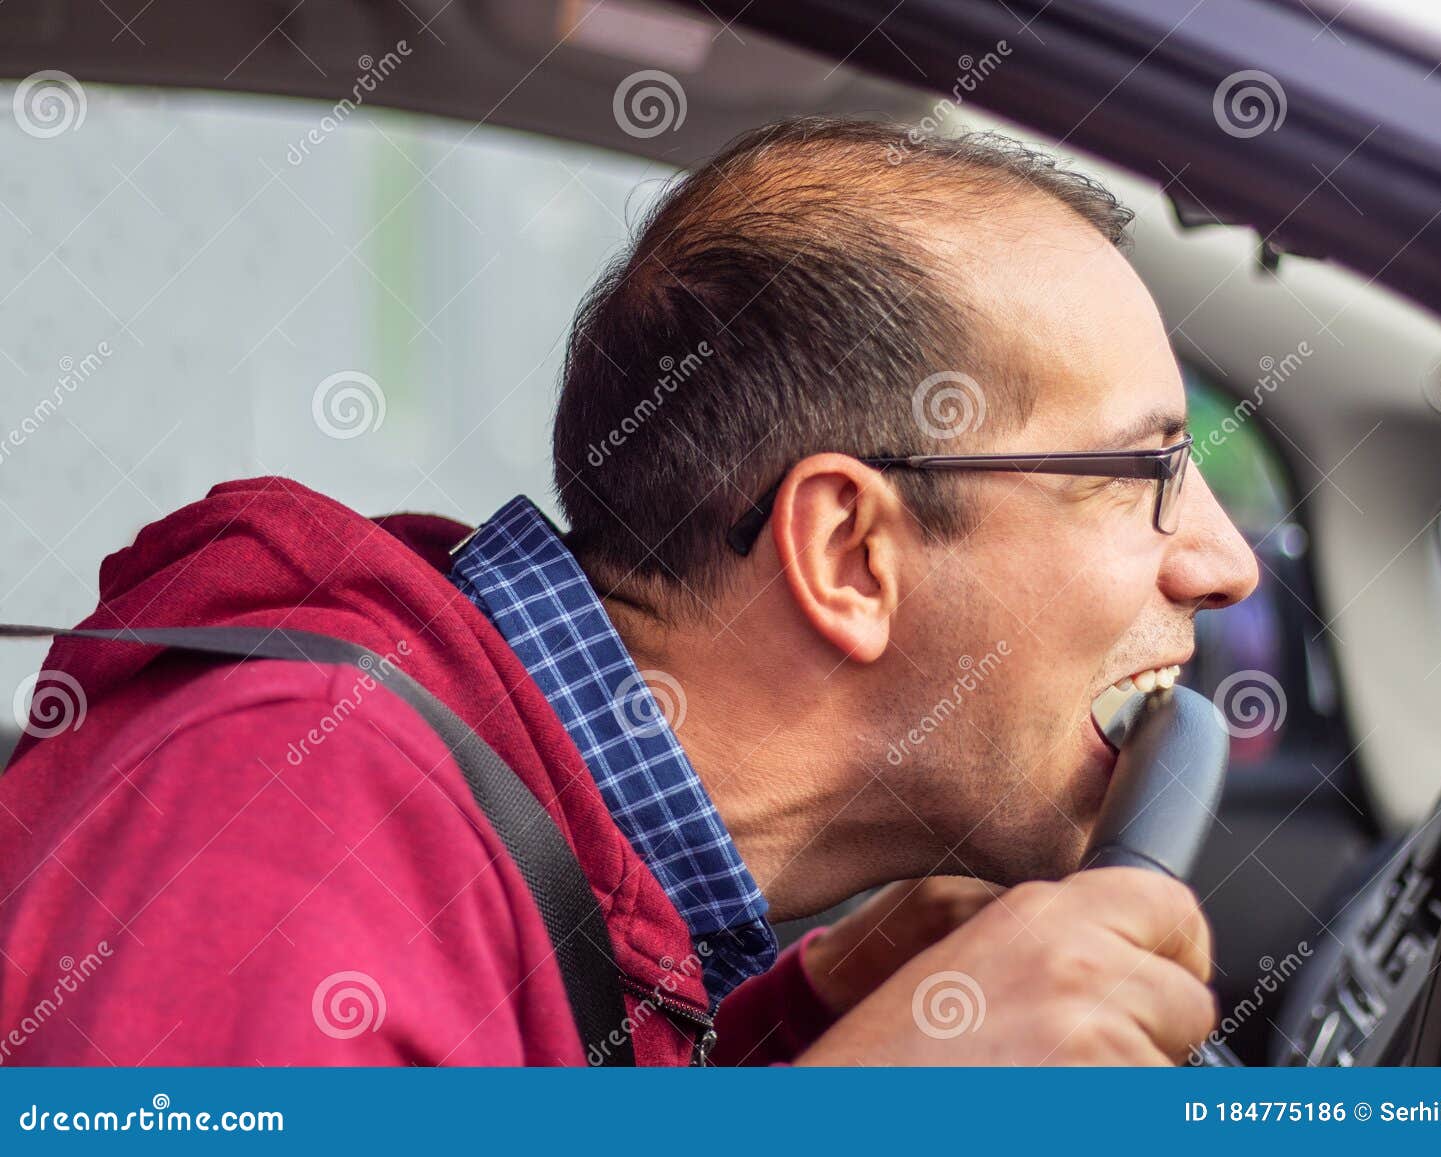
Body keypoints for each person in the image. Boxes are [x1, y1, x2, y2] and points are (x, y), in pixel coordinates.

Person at [0, 117, 1256, 1066]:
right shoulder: (287, 809)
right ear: (850, 556)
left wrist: (791, 1040)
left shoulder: (613, 897)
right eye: (1142, 468)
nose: (1226, 561)